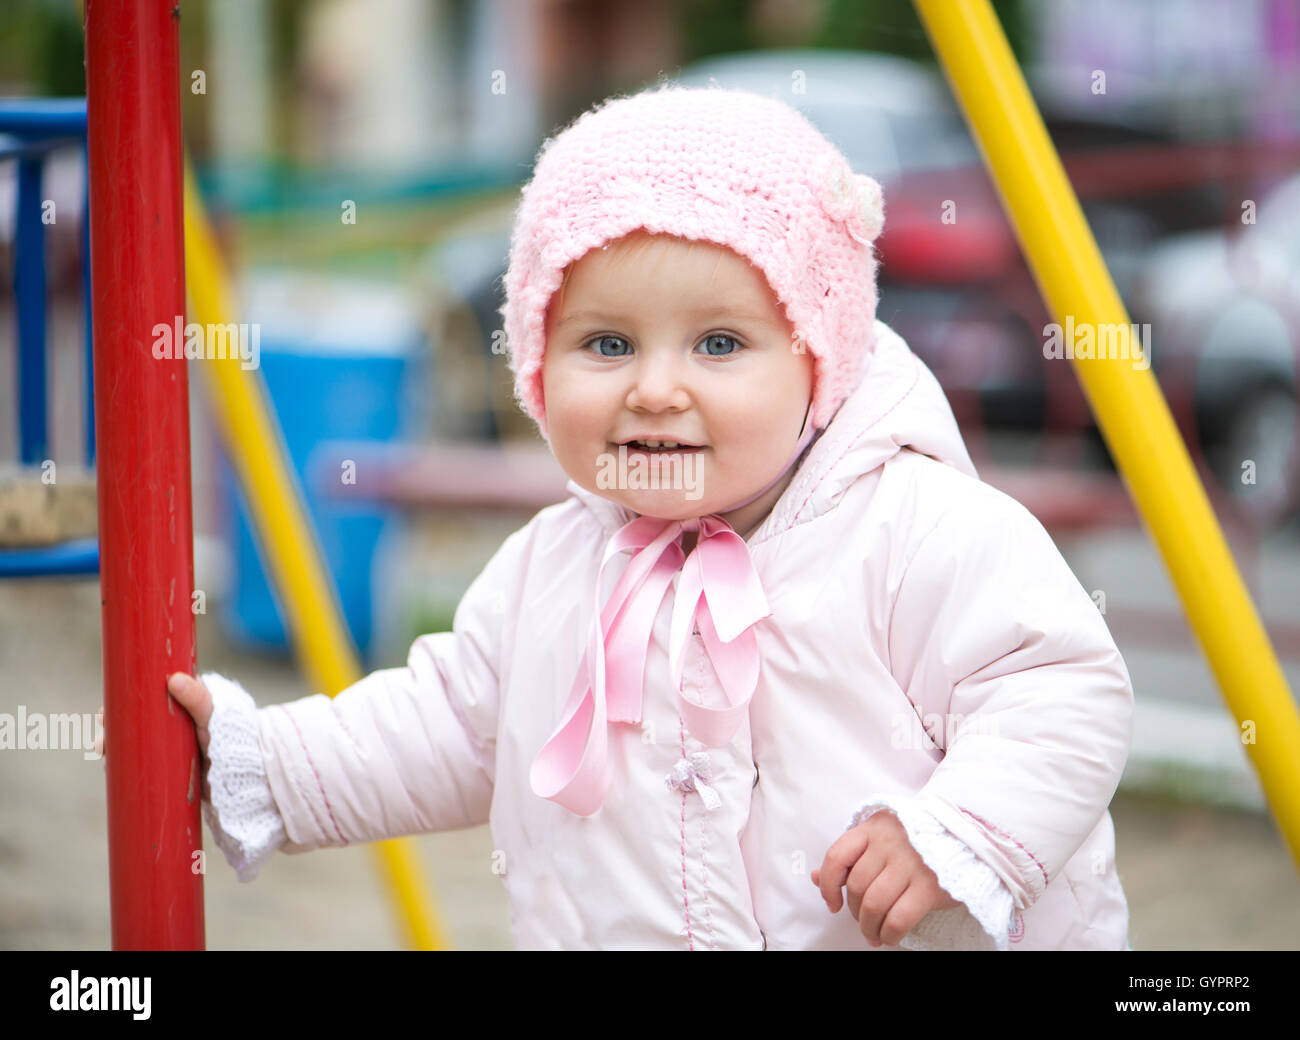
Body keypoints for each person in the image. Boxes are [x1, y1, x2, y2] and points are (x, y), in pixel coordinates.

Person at [161, 85, 1134, 950]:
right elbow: (447, 722)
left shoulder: (914, 526)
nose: (655, 388)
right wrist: (266, 760)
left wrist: (957, 833)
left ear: (817, 360)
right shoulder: (552, 565)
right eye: (606, 343)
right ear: (540, 367)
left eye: (718, 342)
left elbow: (1060, 693)